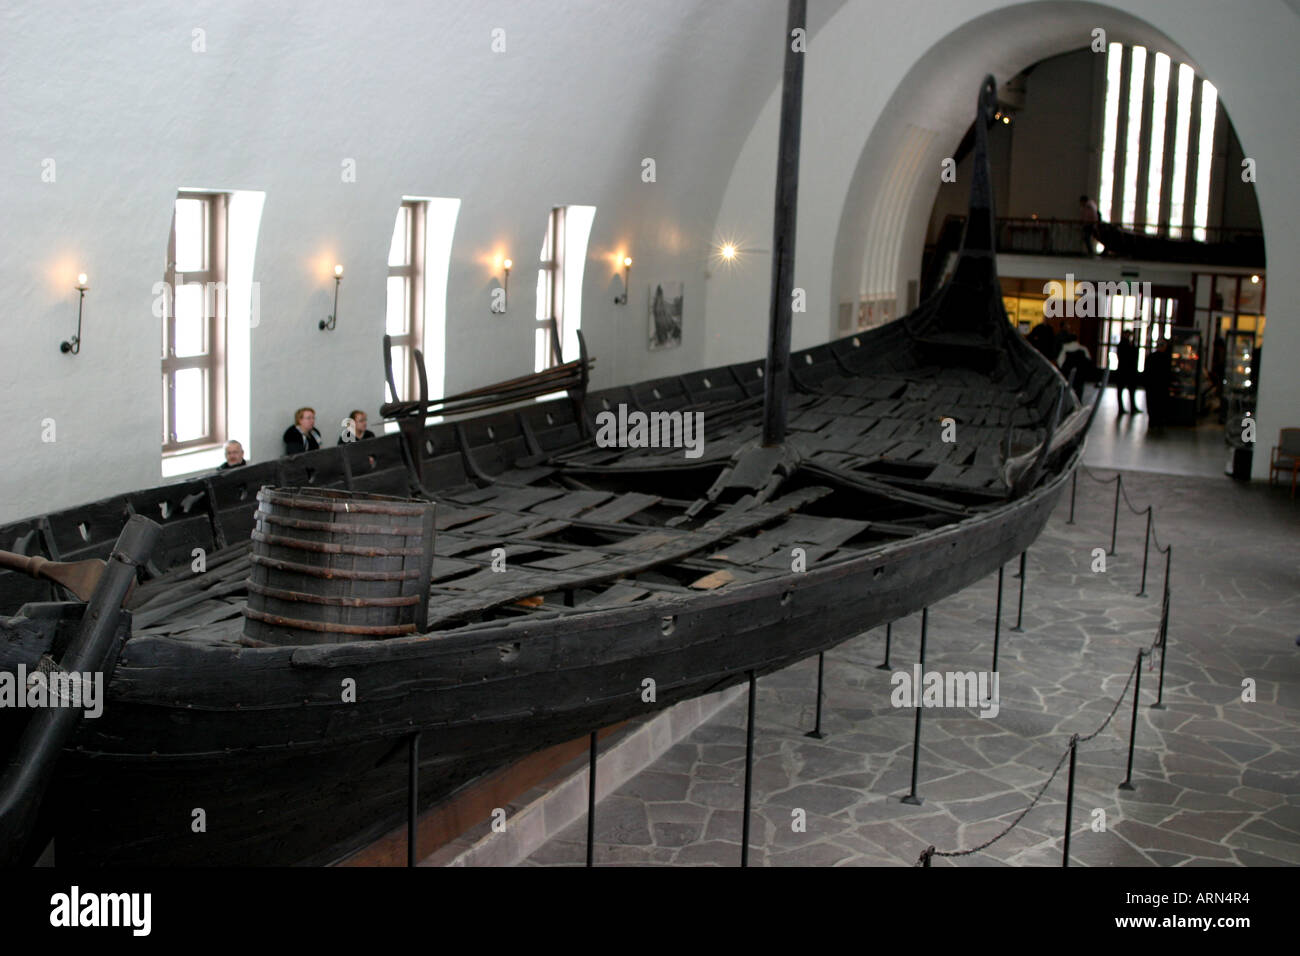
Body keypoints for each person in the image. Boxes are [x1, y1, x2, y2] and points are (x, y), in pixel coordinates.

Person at [1056, 333, 1094, 400]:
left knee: (1067, 392)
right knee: (1079, 392)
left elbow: (1060, 362)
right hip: (1080, 375)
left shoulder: (1065, 349)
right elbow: (1089, 361)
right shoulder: (1083, 349)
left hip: (1068, 374)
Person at [1144, 340, 1172, 425]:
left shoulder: (1150, 357)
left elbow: (1146, 371)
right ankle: (1159, 420)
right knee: (1160, 403)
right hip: (1161, 386)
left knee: (1151, 403)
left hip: (1151, 385)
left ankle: (1152, 420)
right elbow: (1167, 373)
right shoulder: (1166, 358)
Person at [1115, 331, 1141, 414]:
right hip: (1125, 370)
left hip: (1128, 371)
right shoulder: (1123, 345)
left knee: (1131, 390)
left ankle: (1132, 407)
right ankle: (1122, 408)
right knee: (1123, 390)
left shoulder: (1129, 344)